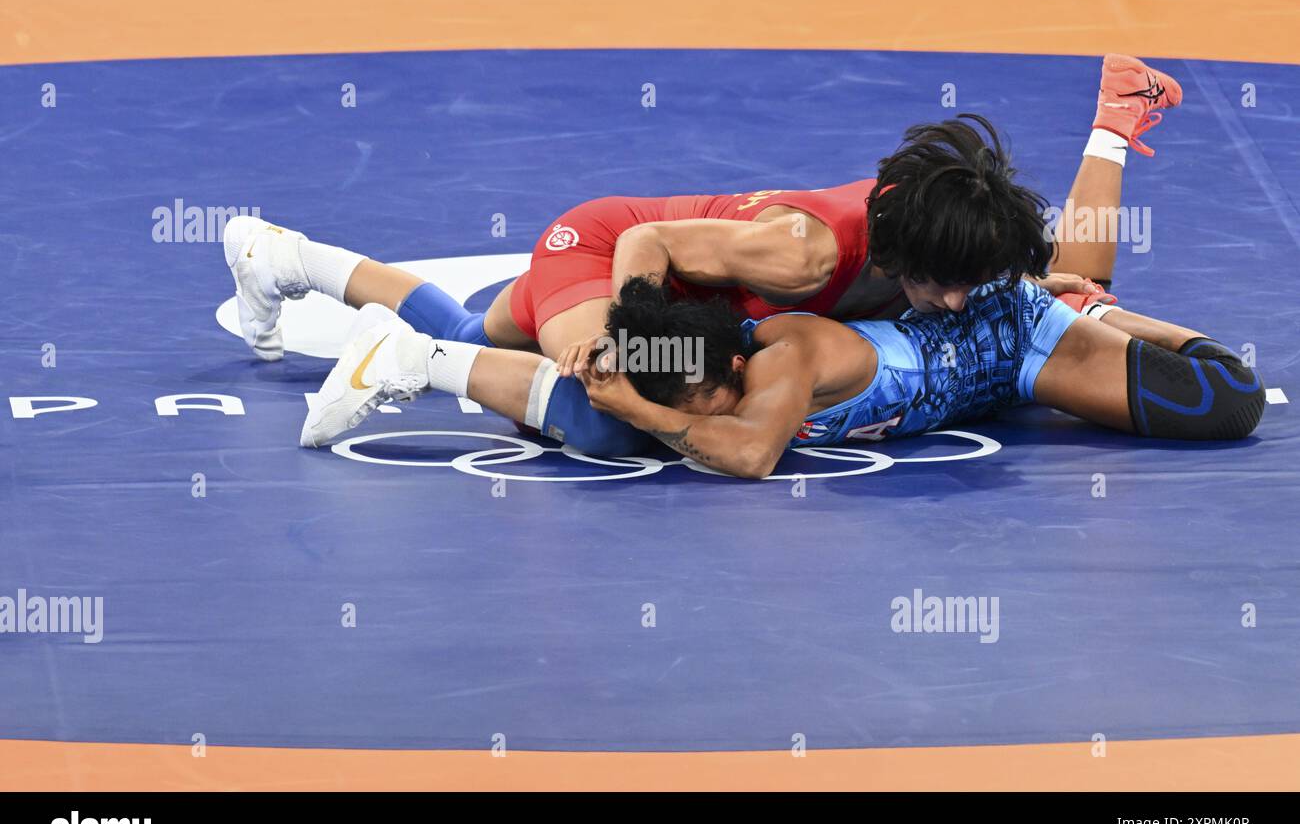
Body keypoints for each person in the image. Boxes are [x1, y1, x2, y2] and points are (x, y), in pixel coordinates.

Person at [226, 54, 1181, 455]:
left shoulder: (946, 226)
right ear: (909, 253)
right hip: (606, 244)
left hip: (686, 282)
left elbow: (1059, 274)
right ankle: (406, 362)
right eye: (958, 282)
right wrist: (639, 348)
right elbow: (646, 240)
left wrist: (1027, 275)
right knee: (612, 412)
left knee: (489, 334)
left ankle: (287, 257)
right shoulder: (804, 256)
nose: (964, 300)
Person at [295, 273, 1265, 478]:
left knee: (1224, 399)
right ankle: (419, 352)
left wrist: (1089, 316)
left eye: (688, 394)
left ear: (724, 368)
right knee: (606, 413)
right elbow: (686, 400)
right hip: (975, 372)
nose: (683, 411)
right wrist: (624, 388)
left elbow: (751, 454)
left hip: (1009, 348)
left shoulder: (789, 356)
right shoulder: (718, 357)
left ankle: (1091, 299)